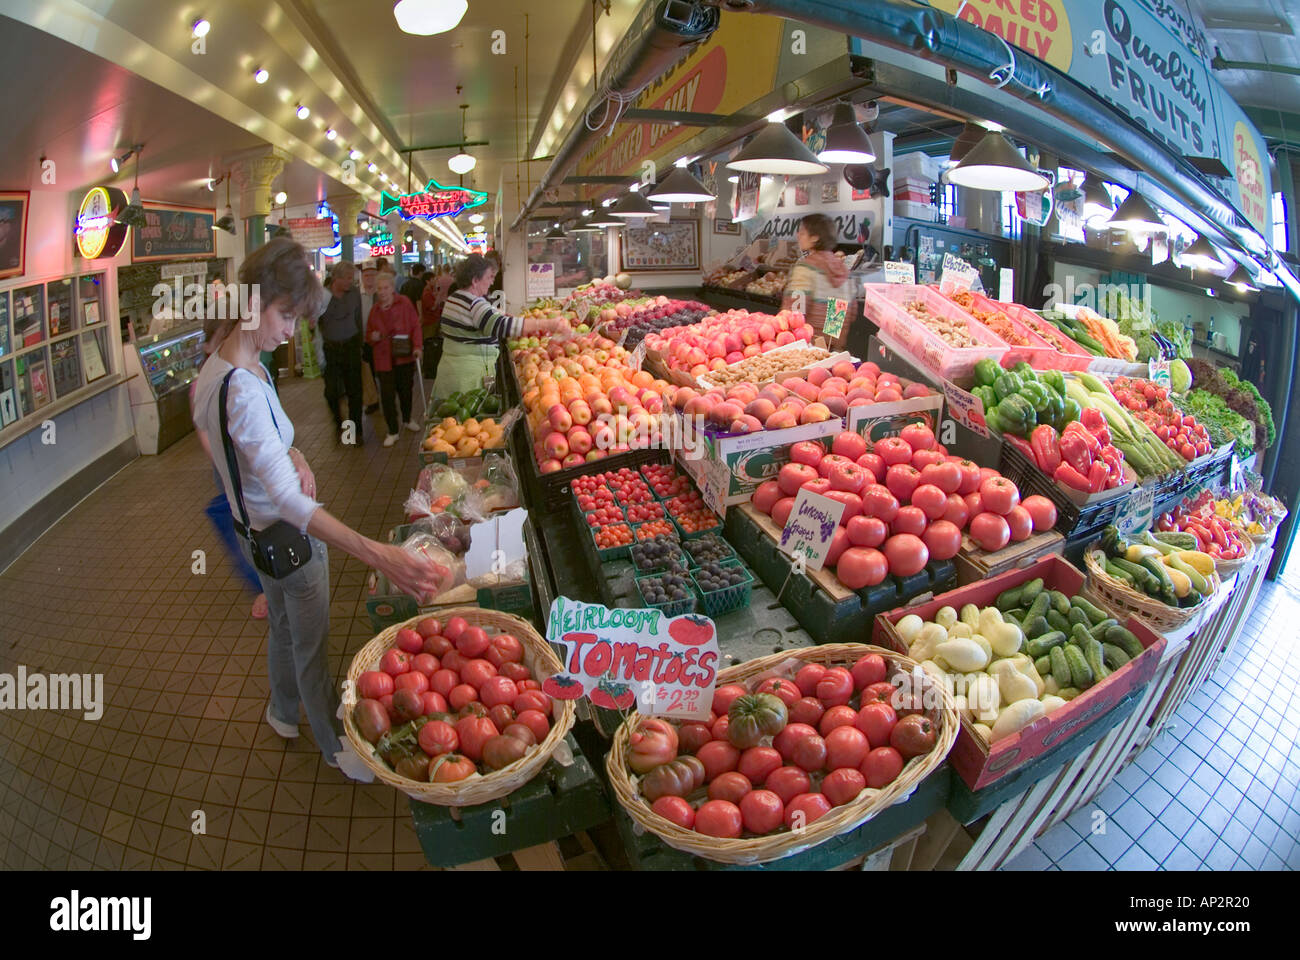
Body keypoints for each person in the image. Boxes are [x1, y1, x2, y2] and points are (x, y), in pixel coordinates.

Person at [193, 237, 444, 778]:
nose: (292, 331)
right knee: (312, 648)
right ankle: (336, 748)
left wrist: (296, 450)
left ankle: (282, 712)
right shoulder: (242, 387)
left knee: (282, 628)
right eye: (286, 316)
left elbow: (245, 448)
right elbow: (284, 495)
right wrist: (378, 554)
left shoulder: (221, 368)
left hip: (253, 535)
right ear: (255, 303)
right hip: (289, 539)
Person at [191, 307, 268, 622]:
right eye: (222, 339)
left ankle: (268, 582)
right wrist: (228, 469)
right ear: (209, 345)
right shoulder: (206, 383)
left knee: (260, 524)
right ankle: (262, 586)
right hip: (232, 470)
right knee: (248, 527)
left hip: (249, 468)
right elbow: (207, 435)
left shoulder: (242, 372)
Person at [435, 253, 564, 396]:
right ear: (475, 280)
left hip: (450, 370)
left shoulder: (455, 297)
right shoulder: (475, 304)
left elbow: (474, 320)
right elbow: (503, 327)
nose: (491, 282)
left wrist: (496, 313)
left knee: (450, 415)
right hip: (468, 379)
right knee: (466, 416)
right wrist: (547, 324)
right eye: (489, 277)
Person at [782, 213, 855, 347]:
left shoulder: (806, 267)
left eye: (802, 232)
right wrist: (829, 339)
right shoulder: (843, 269)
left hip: (808, 346)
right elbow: (851, 311)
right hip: (834, 347)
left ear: (815, 238)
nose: (798, 235)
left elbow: (795, 311)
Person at [368, 272, 424, 447]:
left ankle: (407, 419)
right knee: (387, 396)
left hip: (404, 355)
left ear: (392, 288)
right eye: (380, 288)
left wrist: (417, 346)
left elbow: (415, 325)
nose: (383, 292)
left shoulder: (404, 303)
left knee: (406, 391)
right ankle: (392, 430)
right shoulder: (375, 310)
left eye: (386, 288)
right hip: (383, 359)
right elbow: (368, 335)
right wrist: (373, 336)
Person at [316, 261, 365, 444]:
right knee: (331, 392)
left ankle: (354, 433)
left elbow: (358, 318)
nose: (350, 282)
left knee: (355, 392)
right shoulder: (323, 296)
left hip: (351, 345)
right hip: (332, 349)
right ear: (336, 278)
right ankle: (339, 423)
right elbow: (315, 323)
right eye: (347, 278)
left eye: (351, 278)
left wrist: (361, 344)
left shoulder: (353, 294)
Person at [420, 264, 453, 380]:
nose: (436, 281)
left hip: (433, 319)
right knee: (429, 344)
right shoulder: (427, 293)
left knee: (431, 343)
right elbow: (432, 307)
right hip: (430, 321)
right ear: (428, 281)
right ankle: (428, 367)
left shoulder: (430, 291)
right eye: (433, 279)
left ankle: (430, 365)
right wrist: (438, 301)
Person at [358, 262, 381, 414]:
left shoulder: (382, 294)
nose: (369, 279)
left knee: (382, 371)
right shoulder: (358, 296)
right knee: (368, 372)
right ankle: (373, 400)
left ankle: (384, 396)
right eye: (366, 275)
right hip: (365, 341)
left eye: (372, 275)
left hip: (381, 341)